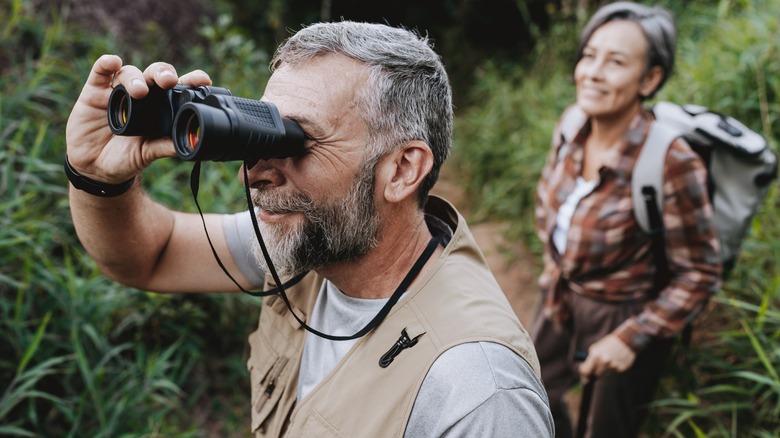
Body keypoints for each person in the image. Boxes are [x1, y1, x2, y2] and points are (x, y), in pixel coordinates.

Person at [65, 21, 554, 437]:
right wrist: (97, 174)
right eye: (262, 130)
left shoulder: (478, 390)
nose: (252, 171)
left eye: (297, 141)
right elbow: (150, 255)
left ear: (403, 170)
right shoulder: (309, 243)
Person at [531, 3, 721, 438]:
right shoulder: (571, 125)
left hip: (623, 313)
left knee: (605, 428)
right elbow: (549, 206)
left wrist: (630, 337)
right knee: (529, 392)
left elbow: (700, 272)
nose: (593, 72)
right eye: (589, 55)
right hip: (559, 294)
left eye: (615, 62)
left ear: (650, 79)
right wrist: (551, 261)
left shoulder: (671, 162)